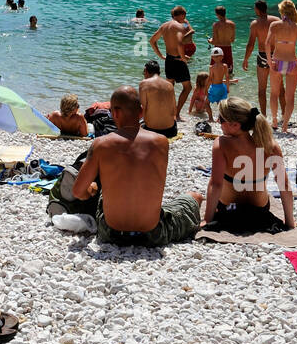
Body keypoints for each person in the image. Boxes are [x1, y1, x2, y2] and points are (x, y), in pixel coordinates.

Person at [71, 86, 202, 247]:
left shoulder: (101, 144)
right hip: (153, 234)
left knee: (101, 189)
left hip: (111, 233)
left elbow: (78, 191)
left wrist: (90, 189)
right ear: (141, 111)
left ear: (115, 113)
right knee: (194, 197)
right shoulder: (160, 142)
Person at [200, 98, 297, 231]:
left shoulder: (221, 144)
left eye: (221, 119)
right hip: (259, 213)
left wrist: (207, 220)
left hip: (229, 211)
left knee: (196, 197)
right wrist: (290, 223)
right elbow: (284, 184)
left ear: (235, 125)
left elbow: (216, 184)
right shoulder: (270, 146)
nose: (218, 121)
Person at [265, 0, 297, 131]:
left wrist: (269, 60)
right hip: (292, 63)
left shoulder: (275, 25)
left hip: (277, 61)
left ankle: (274, 120)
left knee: (274, 93)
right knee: (290, 96)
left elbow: (266, 44)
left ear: (281, 11)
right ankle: (285, 125)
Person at [149, 6, 192, 120]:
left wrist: (160, 55)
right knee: (187, 87)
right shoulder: (179, 26)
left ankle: (168, 112)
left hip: (168, 59)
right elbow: (179, 44)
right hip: (178, 59)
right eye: (185, 16)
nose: (185, 19)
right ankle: (176, 114)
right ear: (181, 15)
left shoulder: (164, 26)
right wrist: (183, 58)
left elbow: (152, 41)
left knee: (170, 87)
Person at [243, 0, 278, 124]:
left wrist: (245, 59)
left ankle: (263, 116)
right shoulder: (276, 20)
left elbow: (251, 44)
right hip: (276, 55)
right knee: (280, 88)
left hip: (263, 55)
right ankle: (282, 115)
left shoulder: (255, 23)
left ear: (257, 9)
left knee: (262, 89)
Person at [139, 59, 177, 137]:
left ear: (146, 71)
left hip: (152, 130)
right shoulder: (169, 85)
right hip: (171, 130)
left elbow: (143, 108)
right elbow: (174, 110)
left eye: (143, 72)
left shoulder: (144, 83)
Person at [206, 47, 235, 120]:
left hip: (214, 88)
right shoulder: (225, 66)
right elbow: (227, 78)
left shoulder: (211, 67)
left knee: (206, 103)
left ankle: (210, 118)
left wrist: (206, 89)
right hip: (222, 87)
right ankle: (219, 119)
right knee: (220, 105)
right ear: (222, 56)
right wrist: (228, 88)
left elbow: (210, 79)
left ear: (212, 57)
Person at [210, 6, 236, 73]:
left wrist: (210, 41)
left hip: (218, 50)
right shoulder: (232, 24)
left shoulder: (216, 25)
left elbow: (214, 41)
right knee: (229, 71)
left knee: (215, 70)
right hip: (228, 48)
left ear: (217, 14)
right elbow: (232, 40)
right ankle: (230, 82)